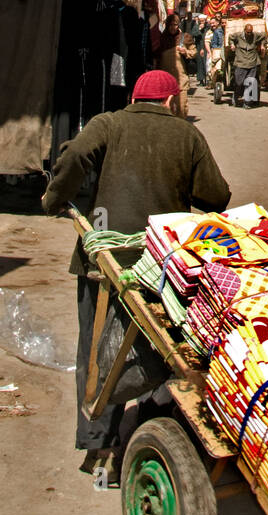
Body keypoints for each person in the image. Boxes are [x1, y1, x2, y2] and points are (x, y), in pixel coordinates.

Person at [42, 69, 230, 483]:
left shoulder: (107, 123)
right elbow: (216, 196)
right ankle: (152, 426)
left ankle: (99, 440)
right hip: (161, 268)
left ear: (135, 97)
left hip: (103, 265)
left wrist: (56, 197)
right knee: (159, 348)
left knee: (95, 349)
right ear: (169, 100)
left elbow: (72, 158)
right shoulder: (186, 136)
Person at [157, 12, 190, 117]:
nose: (172, 27)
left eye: (175, 25)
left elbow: (194, 52)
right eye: (170, 25)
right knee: (166, 109)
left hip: (181, 79)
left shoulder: (184, 37)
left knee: (181, 108)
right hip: (165, 79)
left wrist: (186, 52)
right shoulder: (161, 39)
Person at [227, 22, 265, 107]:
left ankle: (247, 102)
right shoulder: (238, 35)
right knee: (239, 83)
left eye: (250, 32)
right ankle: (236, 96)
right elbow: (230, 37)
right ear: (244, 30)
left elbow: (264, 36)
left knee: (250, 82)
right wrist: (232, 44)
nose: (249, 34)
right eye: (247, 32)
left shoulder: (255, 35)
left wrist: (262, 45)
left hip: (252, 62)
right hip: (241, 62)